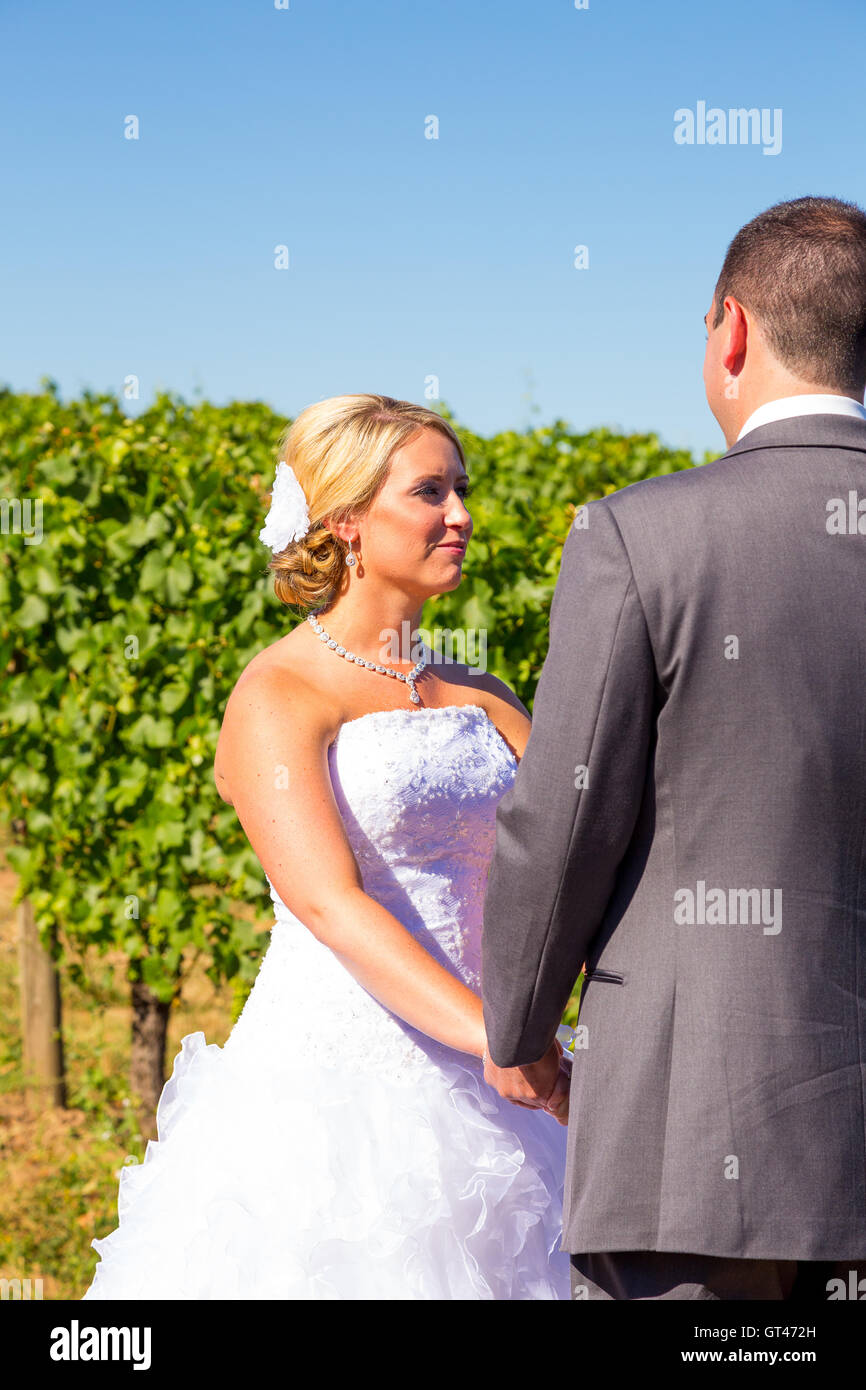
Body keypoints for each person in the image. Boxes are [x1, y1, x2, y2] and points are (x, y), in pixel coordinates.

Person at [82, 393, 573, 1300]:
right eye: (429, 492)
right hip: (341, 1094)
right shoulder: (280, 692)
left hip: (508, 1079)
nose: (461, 515)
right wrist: (498, 1039)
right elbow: (330, 904)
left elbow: (574, 856)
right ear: (346, 520)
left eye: (461, 490)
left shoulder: (488, 697)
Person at [480, 195, 866, 1300]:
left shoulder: (641, 534)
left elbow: (564, 818)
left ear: (730, 330)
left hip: (697, 1134)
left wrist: (519, 1024)